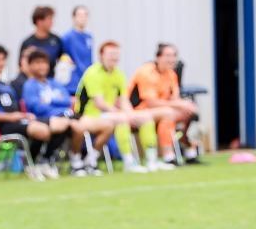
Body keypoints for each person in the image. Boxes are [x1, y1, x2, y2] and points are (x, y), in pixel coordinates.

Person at [76, 40, 153, 172]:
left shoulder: (119, 74)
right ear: (101, 56)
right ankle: (129, 162)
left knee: (145, 116)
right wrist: (122, 114)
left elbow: (124, 100)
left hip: (109, 114)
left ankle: (152, 160)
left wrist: (131, 114)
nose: (114, 57)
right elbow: (99, 103)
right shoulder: (93, 73)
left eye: (117, 54)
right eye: (110, 54)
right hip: (89, 114)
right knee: (122, 119)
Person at [128, 43, 199, 167]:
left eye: (173, 56)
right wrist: (178, 104)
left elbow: (174, 98)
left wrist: (185, 105)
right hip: (138, 111)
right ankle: (168, 155)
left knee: (190, 112)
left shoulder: (171, 74)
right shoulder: (147, 72)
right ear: (158, 57)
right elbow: (151, 102)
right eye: (167, 55)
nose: (171, 59)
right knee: (169, 113)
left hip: (161, 110)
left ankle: (189, 149)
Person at [19, 46, 77, 178]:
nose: (42, 66)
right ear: (30, 65)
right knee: (61, 124)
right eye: (37, 63)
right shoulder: (30, 85)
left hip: (60, 117)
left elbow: (67, 100)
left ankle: (46, 161)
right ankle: (39, 161)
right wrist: (57, 102)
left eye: (44, 62)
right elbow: (37, 107)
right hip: (39, 119)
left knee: (68, 124)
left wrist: (49, 100)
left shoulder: (53, 83)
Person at [57, 5, 96, 95]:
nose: (82, 18)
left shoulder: (89, 37)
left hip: (87, 77)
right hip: (73, 80)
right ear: (74, 17)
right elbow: (60, 55)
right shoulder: (67, 37)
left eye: (85, 15)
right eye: (79, 15)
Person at [20, 5, 65, 75]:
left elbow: (62, 58)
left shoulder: (56, 39)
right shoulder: (28, 43)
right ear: (39, 21)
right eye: (49, 19)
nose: (52, 22)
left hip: (51, 80)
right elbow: (21, 67)